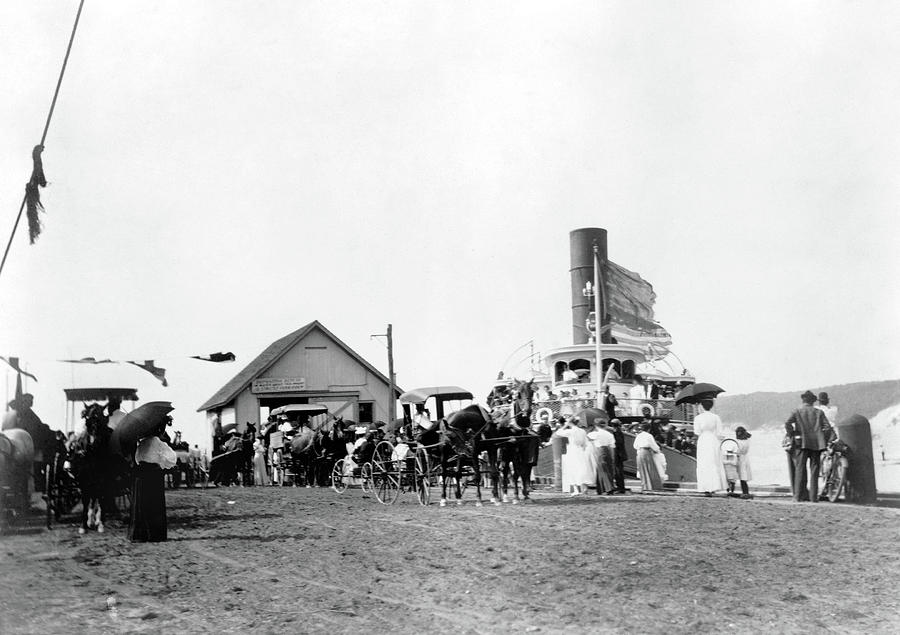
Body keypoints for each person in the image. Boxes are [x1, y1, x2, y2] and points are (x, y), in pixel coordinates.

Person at [129, 420, 177, 542]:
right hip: (154, 475)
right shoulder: (159, 443)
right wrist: (162, 463)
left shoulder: (142, 443)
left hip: (140, 475)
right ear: (159, 430)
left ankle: (139, 535)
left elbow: (137, 458)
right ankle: (155, 535)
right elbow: (172, 459)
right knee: (155, 503)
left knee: (140, 504)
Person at [785, 390, 835, 503]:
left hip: (801, 443)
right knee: (815, 470)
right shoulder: (819, 413)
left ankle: (797, 497)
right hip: (816, 444)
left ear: (803, 400)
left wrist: (792, 434)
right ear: (813, 401)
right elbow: (827, 428)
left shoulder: (797, 411)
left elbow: (787, 423)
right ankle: (813, 498)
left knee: (800, 469)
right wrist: (823, 439)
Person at [552, 417, 594, 496]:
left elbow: (558, 433)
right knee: (582, 468)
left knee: (572, 469)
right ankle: (584, 489)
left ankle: (576, 490)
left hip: (573, 450)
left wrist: (565, 426)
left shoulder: (570, 431)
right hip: (581, 450)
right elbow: (585, 442)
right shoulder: (582, 431)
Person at [693, 399, 726, 495]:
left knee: (704, 463)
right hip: (713, 440)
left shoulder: (698, 418)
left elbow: (697, 432)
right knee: (713, 462)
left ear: (702, 406)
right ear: (711, 406)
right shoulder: (716, 417)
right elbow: (719, 432)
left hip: (703, 440)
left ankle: (705, 488)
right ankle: (714, 486)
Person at [587, 419, 616, 495]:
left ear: (596, 425)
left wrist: (591, 429)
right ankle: (601, 488)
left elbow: (588, 437)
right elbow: (612, 446)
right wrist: (612, 456)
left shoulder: (596, 434)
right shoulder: (609, 434)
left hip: (600, 451)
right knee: (607, 469)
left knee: (602, 469)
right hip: (608, 451)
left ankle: (608, 488)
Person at [633, 422, 663, 491]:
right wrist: (658, 450)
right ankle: (651, 486)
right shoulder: (649, 436)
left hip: (639, 452)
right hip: (646, 452)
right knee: (650, 469)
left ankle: (645, 486)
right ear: (648, 429)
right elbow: (653, 445)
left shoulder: (638, 436)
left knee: (642, 469)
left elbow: (635, 446)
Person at [734, 426, 753, 499]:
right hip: (745, 458)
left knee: (742, 476)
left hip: (740, 459)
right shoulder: (747, 441)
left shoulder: (738, 442)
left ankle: (745, 492)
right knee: (744, 477)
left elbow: (737, 450)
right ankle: (745, 492)